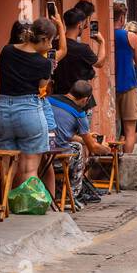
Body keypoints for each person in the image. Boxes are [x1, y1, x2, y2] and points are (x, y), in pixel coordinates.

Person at [0, 17, 59, 185]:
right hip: (29, 110)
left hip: (2, 111)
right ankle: (28, 206)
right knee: (29, 168)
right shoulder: (43, 63)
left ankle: (6, 206)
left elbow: (1, 67)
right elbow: (42, 86)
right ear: (44, 39)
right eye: (51, 41)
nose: (51, 46)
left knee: (7, 165)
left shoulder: (6, 51)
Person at [49, 79, 116, 207]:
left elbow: (60, 133)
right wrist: (107, 149)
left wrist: (85, 138)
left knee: (77, 143)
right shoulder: (79, 114)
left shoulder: (50, 100)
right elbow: (94, 148)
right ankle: (72, 194)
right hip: (58, 159)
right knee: (78, 148)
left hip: (42, 154)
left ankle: (62, 193)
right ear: (86, 99)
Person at [113, 2, 137, 153]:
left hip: (110, 88)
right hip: (128, 84)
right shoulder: (130, 37)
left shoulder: (104, 34)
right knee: (129, 130)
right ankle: (126, 164)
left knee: (113, 130)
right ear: (122, 18)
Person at [53, 7, 107, 95]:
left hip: (57, 95)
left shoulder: (53, 44)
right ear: (80, 25)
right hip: (78, 96)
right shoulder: (82, 49)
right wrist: (102, 43)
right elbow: (99, 63)